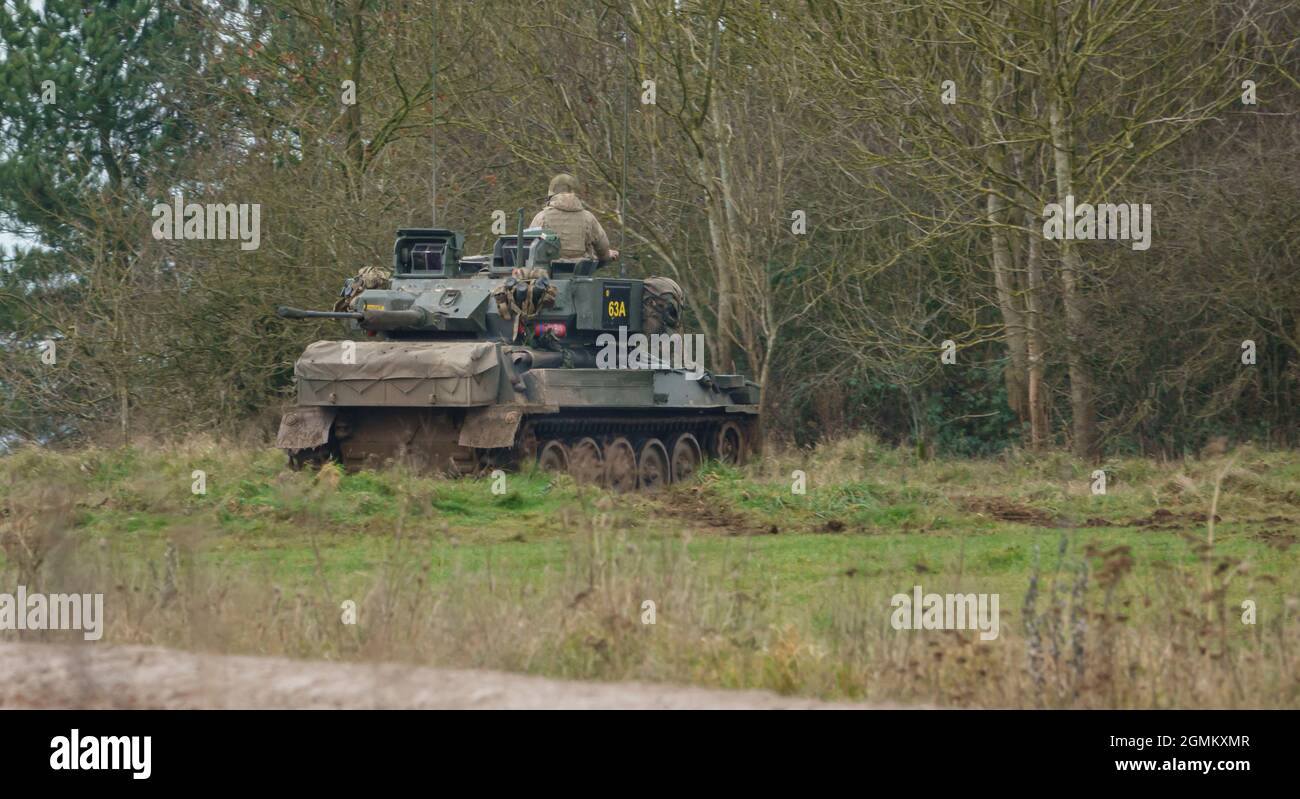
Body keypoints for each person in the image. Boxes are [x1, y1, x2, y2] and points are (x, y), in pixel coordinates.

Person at [530, 174, 620, 264]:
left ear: (551, 194)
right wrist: (607, 255)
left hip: (548, 273)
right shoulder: (588, 218)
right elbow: (603, 247)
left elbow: (528, 245)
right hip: (580, 271)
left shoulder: (541, 217)